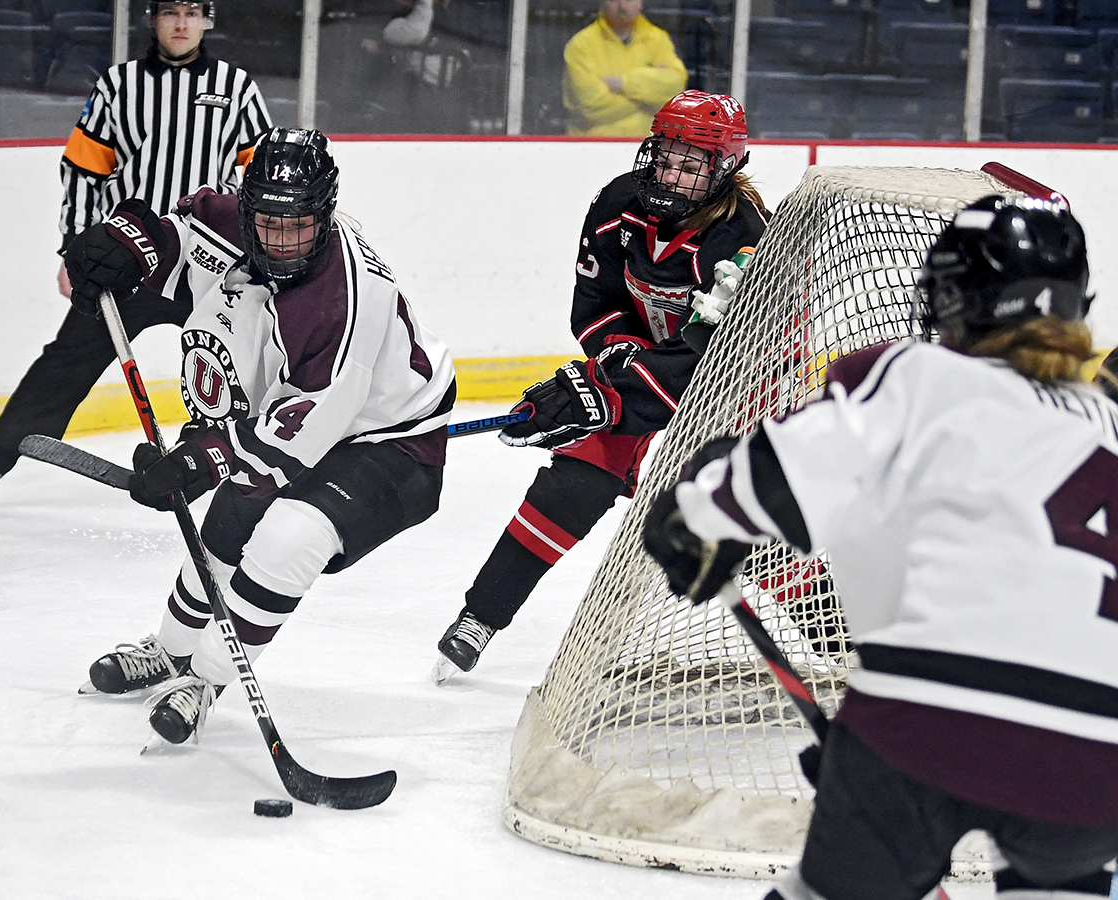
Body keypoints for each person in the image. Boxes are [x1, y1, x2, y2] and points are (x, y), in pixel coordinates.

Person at [641, 196, 1118, 900]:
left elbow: (777, 473)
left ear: (954, 296)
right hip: (1098, 756)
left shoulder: (924, 375)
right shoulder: (1109, 424)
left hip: (927, 721)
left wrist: (693, 512)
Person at [65, 128, 457, 744]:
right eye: (266, 223)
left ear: (324, 216)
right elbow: (175, 234)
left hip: (391, 439)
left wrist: (197, 460)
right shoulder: (235, 223)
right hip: (297, 409)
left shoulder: (346, 297)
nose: (278, 241)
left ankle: (208, 678)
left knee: (287, 533)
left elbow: (300, 429)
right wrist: (124, 243)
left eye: (295, 225)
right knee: (228, 517)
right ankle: (170, 650)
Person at [430, 90, 769, 680]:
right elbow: (595, 309)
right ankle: (479, 618)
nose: (671, 174)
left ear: (726, 169)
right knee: (577, 475)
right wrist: (612, 373)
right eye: (666, 156)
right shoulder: (618, 204)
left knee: (755, 520)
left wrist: (612, 389)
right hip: (647, 367)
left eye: (692, 166)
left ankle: (840, 638)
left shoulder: (747, 242)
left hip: (744, 383)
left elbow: (717, 355)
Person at [0, 0, 273, 503]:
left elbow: (258, 176)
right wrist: (74, 249)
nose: (181, 24)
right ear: (153, 19)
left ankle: (254, 468)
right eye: (170, 13)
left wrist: (255, 254)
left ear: (207, 19)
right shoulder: (119, 86)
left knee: (247, 365)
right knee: (68, 359)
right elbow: (83, 171)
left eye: (192, 12)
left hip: (210, 264)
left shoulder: (236, 87)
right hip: (132, 258)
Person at [562, 0, 687, 137]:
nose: (622, 6)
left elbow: (676, 88)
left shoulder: (658, 39)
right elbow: (591, 106)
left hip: (649, 146)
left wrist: (623, 84)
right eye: (614, 0)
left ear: (641, 2)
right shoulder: (581, 45)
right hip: (594, 147)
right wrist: (650, 97)